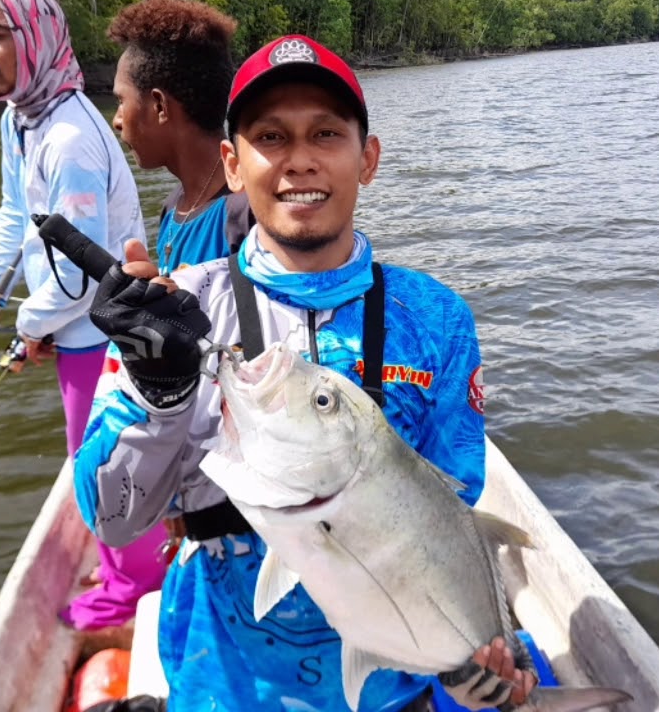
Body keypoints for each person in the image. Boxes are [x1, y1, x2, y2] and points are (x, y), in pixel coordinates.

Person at [73, 35, 537, 711]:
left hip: (390, 688)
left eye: (325, 133)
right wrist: (159, 393)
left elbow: (453, 507)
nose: (299, 160)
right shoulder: (176, 312)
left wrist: (483, 662)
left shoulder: (436, 319)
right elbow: (111, 520)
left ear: (367, 158)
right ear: (231, 163)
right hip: (220, 684)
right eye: (270, 136)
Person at [58, 0, 253, 633]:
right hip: (186, 491)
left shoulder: (242, 218)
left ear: (161, 106)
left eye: (122, 100)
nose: (117, 119)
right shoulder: (175, 211)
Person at [0, 0, 145, 630]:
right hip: (69, 324)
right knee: (90, 458)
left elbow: (78, 280)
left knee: (105, 464)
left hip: (106, 330)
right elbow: (17, 215)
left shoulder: (68, 141)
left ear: (35, 38)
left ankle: (133, 587)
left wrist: (27, 326)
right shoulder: (20, 118)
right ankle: (122, 567)